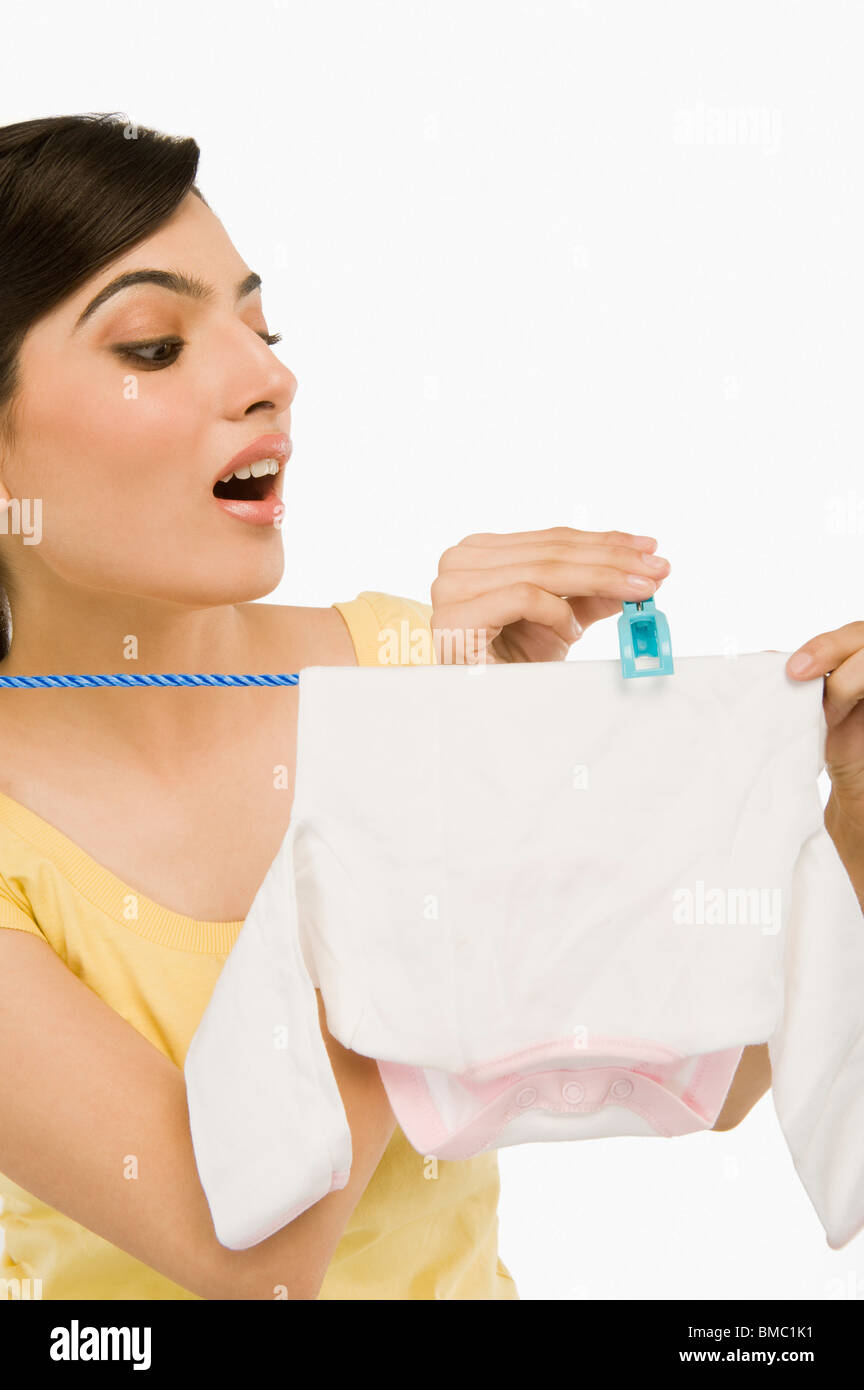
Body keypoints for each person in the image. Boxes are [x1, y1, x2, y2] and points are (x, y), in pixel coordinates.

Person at [1, 114, 861, 1301]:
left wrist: (850, 821)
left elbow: (694, 1060)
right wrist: (438, 771)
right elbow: (249, 1250)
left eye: (262, 326)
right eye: (154, 345)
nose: (268, 377)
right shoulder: (430, 707)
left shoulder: (415, 660)